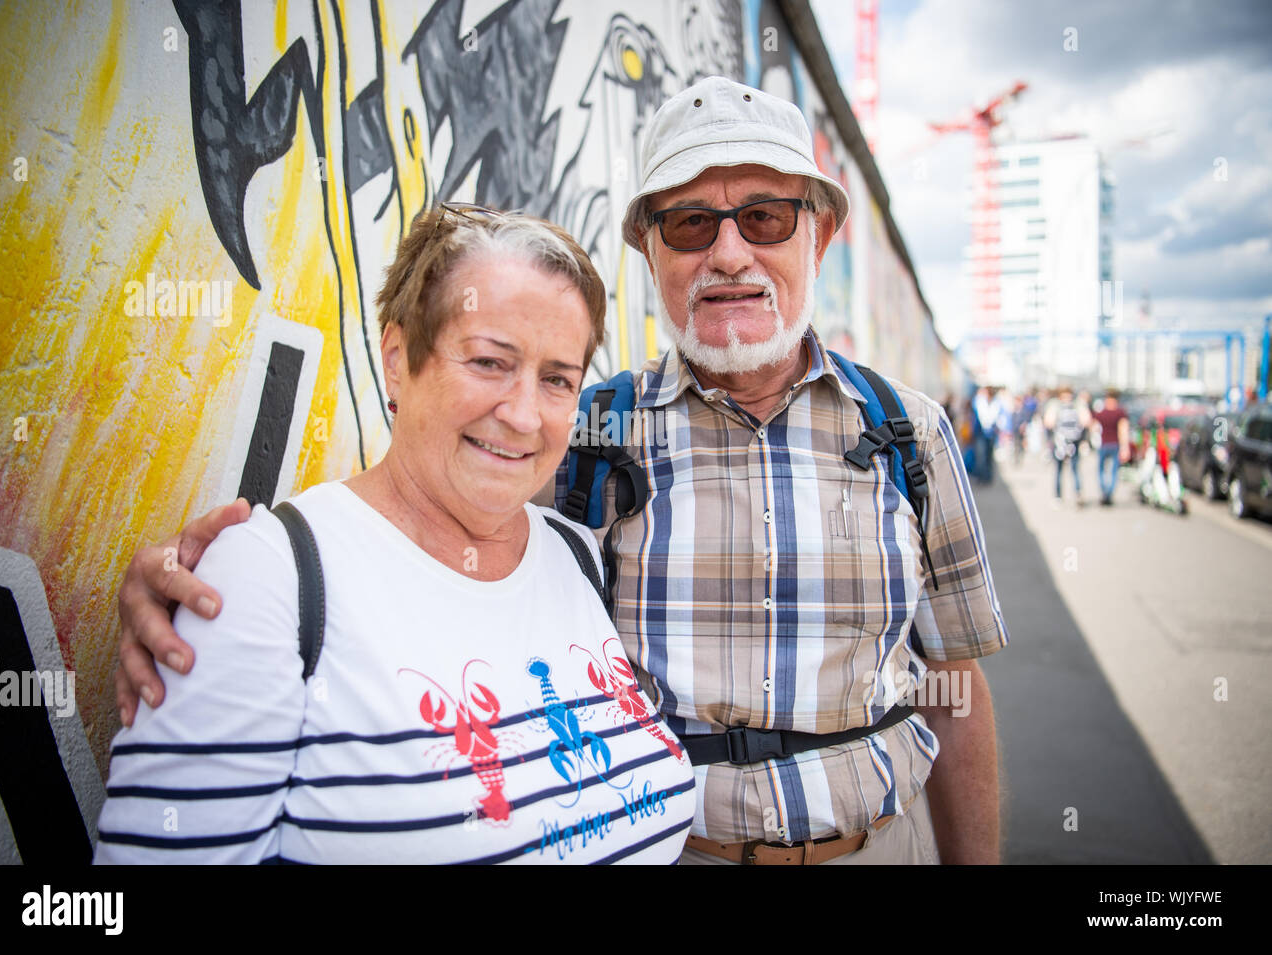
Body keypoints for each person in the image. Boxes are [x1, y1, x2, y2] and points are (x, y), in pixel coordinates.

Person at [116, 77, 1008, 865]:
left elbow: (957, 692)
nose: (729, 254)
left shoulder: (908, 434)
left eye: (766, 216)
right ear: (651, 252)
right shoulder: (587, 434)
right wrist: (221, 584)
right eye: (692, 223)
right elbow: (420, 520)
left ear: (820, 234)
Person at [96, 207, 695, 863]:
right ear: (396, 359)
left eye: (556, 379)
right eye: (491, 361)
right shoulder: (269, 577)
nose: (524, 414)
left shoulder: (573, 552)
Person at [1044, 385, 1090, 504]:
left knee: (1066, 469)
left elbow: (1048, 423)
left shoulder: (1056, 405)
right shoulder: (1077, 405)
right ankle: (1072, 494)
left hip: (1064, 442)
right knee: (1069, 469)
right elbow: (1086, 421)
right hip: (1068, 442)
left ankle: (1067, 495)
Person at [1091, 389, 1130, 505]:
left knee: (1101, 470)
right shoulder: (1120, 413)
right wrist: (1125, 447)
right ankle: (1109, 493)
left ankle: (1104, 492)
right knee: (1113, 471)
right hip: (1115, 444)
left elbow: (1093, 427)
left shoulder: (1100, 413)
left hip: (1103, 444)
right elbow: (1123, 430)